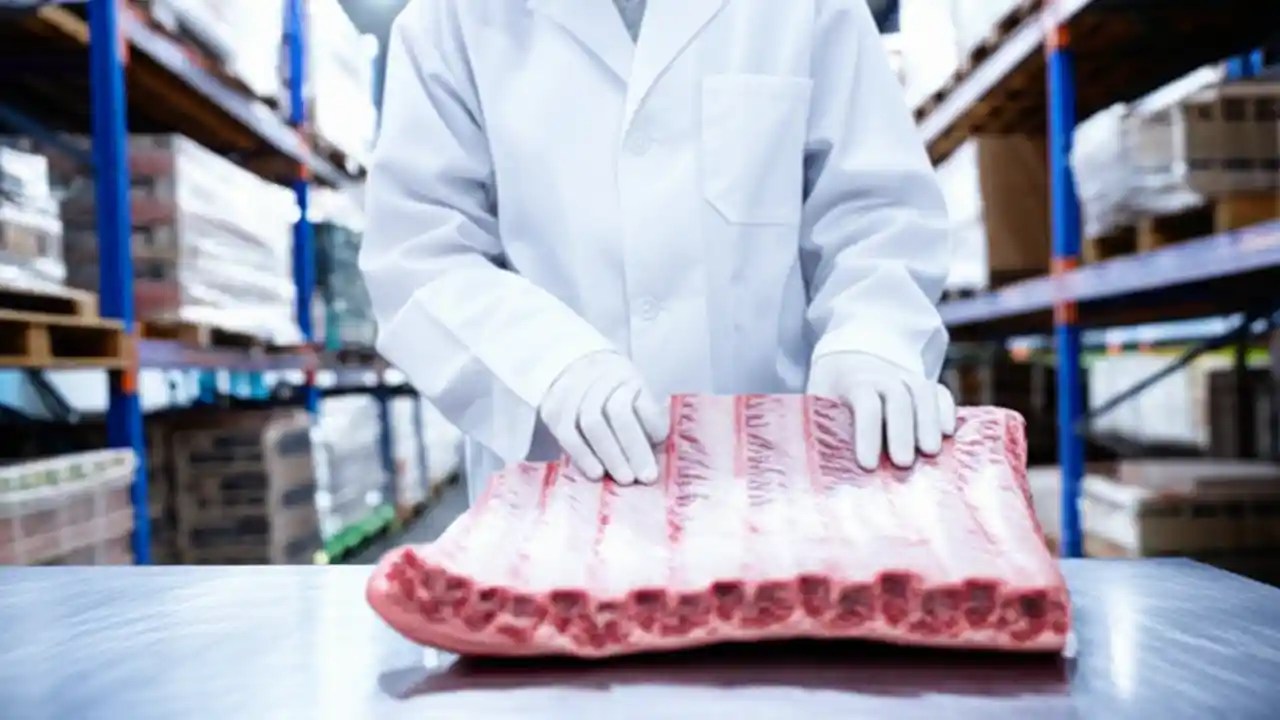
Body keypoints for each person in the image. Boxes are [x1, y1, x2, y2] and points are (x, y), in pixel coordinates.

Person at [361, 0, 956, 505]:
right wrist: (552, 367)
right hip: (555, 488)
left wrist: (871, 340)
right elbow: (419, 251)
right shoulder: (452, 19)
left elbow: (877, 211)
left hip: (777, 489)